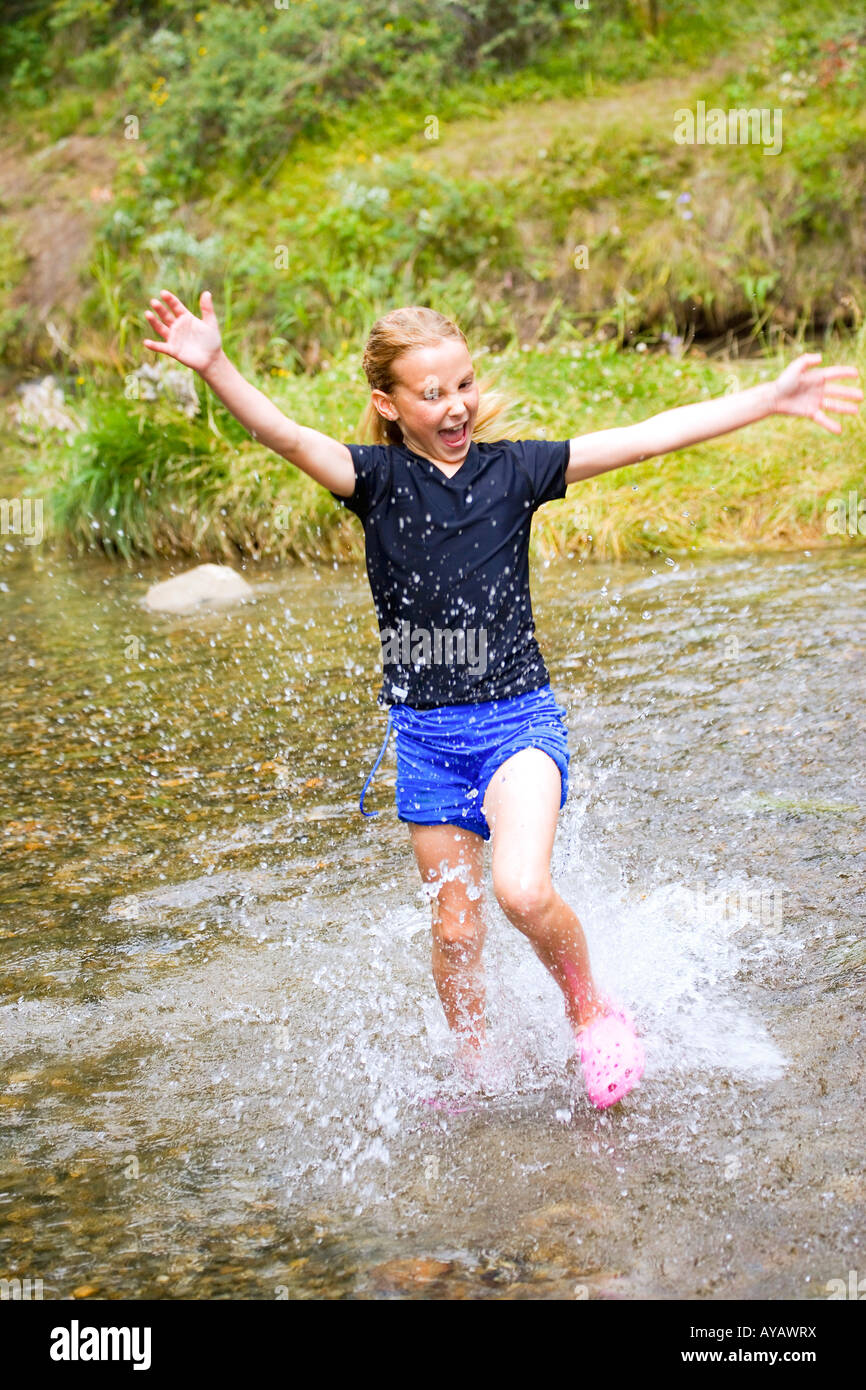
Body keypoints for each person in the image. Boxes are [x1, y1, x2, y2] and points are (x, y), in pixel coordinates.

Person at [144, 289, 861, 1108]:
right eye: (431, 393)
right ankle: (477, 1070)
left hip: (516, 722)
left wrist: (768, 399)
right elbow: (283, 432)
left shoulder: (514, 470)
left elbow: (644, 437)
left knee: (521, 892)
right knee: (455, 933)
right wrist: (216, 365)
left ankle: (592, 1014)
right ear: (389, 404)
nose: (455, 407)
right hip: (425, 742)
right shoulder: (373, 481)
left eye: (464, 385)